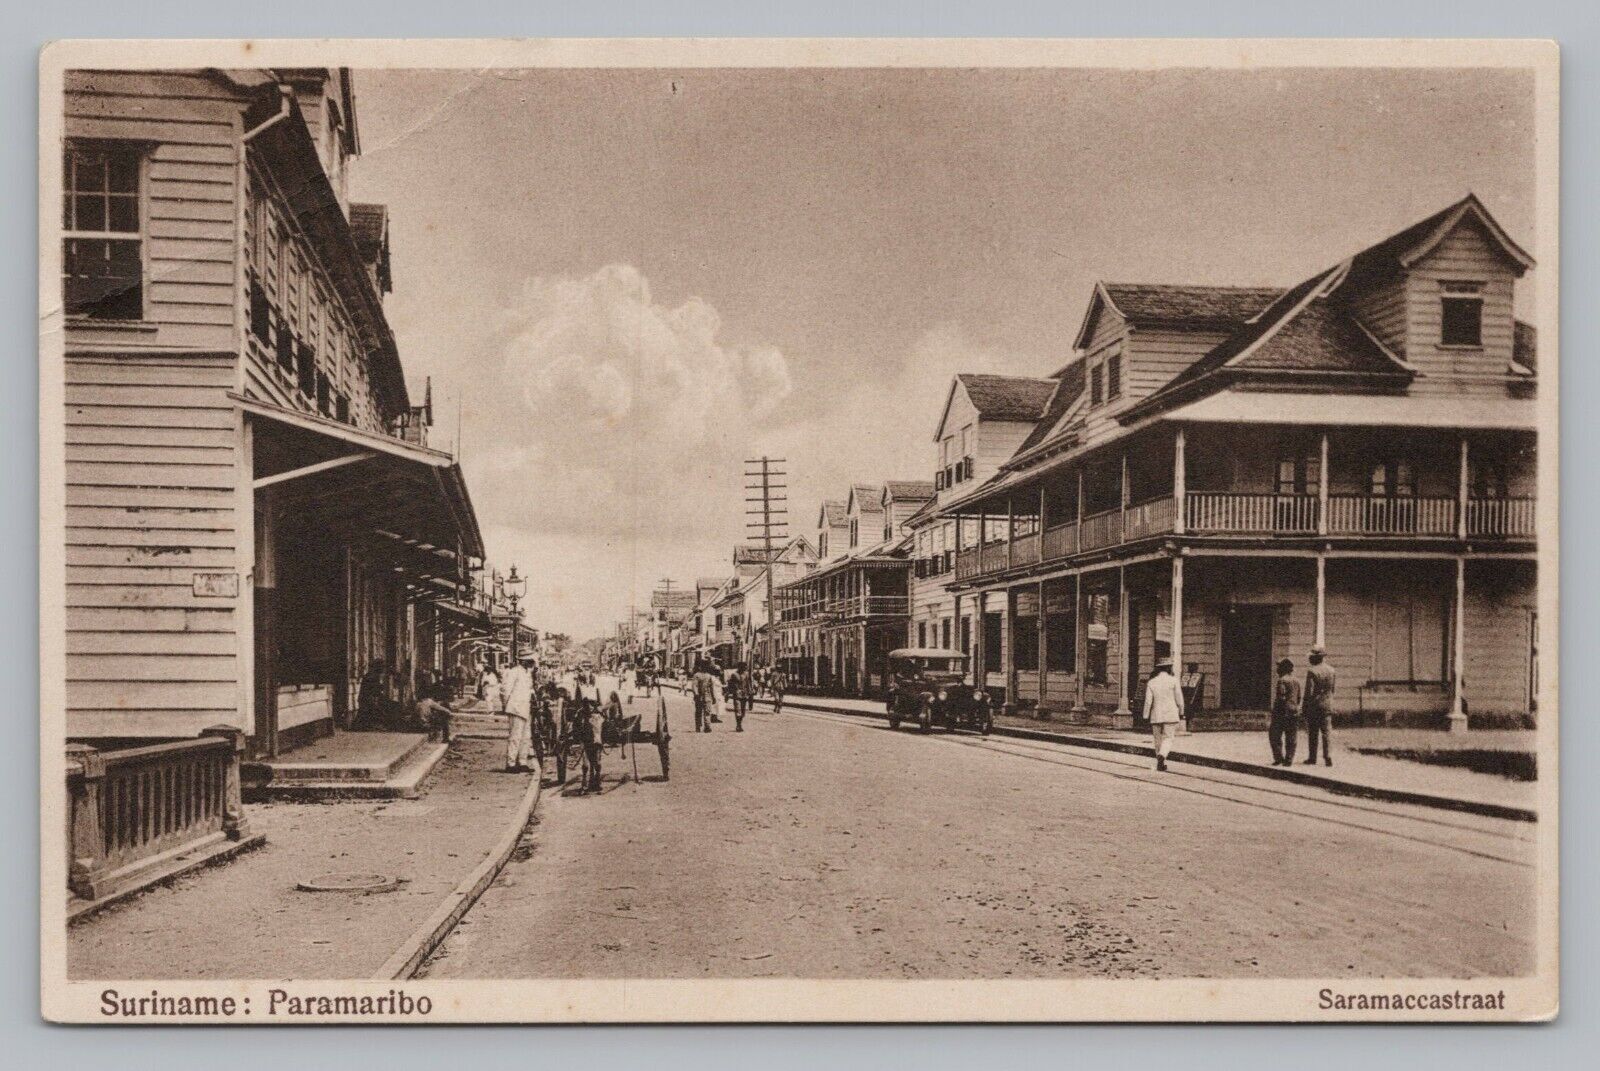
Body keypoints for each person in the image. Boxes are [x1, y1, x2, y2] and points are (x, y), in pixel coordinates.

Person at [1142, 657, 1185, 772]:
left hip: (1156, 715)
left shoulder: (1152, 682)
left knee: (1157, 739)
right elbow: (1179, 698)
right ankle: (1162, 755)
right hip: (1171, 714)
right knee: (1168, 738)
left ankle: (1159, 761)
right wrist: (1181, 712)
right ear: (1169, 668)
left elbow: (1148, 701)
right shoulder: (1174, 681)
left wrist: (1145, 715)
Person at [499, 651, 537, 773]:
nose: (532, 663)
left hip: (526, 708)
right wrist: (506, 705)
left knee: (526, 737)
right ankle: (510, 763)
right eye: (530, 661)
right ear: (523, 661)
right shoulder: (514, 672)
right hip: (516, 707)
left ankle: (522, 762)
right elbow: (505, 690)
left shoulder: (527, 673)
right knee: (515, 737)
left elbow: (529, 689)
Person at [1303, 644, 1336, 767]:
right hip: (1327, 704)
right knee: (1327, 732)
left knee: (1313, 732)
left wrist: (1304, 707)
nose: (1310, 659)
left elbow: (1308, 692)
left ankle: (1312, 758)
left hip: (1315, 705)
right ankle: (1328, 757)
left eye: (1311, 657)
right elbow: (1332, 690)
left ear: (1317, 658)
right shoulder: (1332, 670)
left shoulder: (1312, 671)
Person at [1269, 658, 1300, 766]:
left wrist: (1276, 710)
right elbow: (1298, 697)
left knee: (1274, 735)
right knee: (1291, 736)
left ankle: (1278, 758)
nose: (1277, 669)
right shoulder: (1296, 680)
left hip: (1282, 711)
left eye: (1279, 667)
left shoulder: (1282, 680)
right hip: (1294, 710)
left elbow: (1281, 697)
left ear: (1283, 668)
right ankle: (1289, 759)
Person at [354, 660, 397, 731]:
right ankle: (384, 725)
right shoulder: (372, 677)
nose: (383, 669)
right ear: (378, 667)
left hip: (368, 699)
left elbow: (376, 692)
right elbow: (375, 692)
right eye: (382, 667)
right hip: (367, 700)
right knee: (389, 706)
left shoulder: (372, 675)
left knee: (390, 704)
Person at [414, 669, 455, 743]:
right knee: (444, 720)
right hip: (425, 725)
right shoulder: (429, 702)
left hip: (416, 725)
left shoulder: (418, 703)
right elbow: (444, 710)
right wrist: (449, 712)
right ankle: (445, 738)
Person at [692, 659, 718, 733]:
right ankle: (704, 726)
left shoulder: (698, 675)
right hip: (705, 696)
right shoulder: (705, 676)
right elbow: (695, 686)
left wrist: (696, 694)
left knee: (700, 712)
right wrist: (713, 697)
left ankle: (702, 726)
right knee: (706, 712)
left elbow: (694, 686)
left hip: (702, 697)